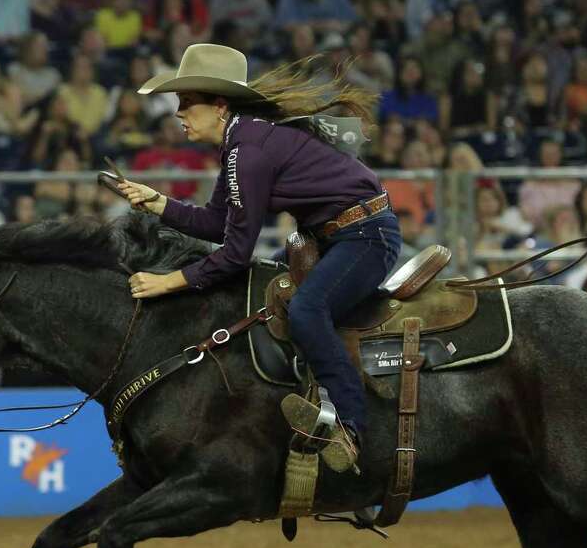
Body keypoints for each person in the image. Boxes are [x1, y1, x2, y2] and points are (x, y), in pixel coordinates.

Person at [117, 44, 401, 473]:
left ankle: (350, 427)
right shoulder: (241, 143)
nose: (178, 113)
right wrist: (158, 203)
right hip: (345, 234)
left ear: (219, 105)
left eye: (187, 102)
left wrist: (171, 280)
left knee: (307, 312)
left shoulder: (246, 150)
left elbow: (234, 254)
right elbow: (217, 222)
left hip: (363, 237)